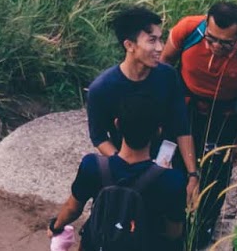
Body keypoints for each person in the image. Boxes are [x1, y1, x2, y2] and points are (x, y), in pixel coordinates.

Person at [162, 2, 237, 247]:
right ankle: (171, 229)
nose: (215, 47)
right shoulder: (188, 30)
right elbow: (164, 65)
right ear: (205, 26)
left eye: (225, 43)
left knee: (215, 177)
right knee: (175, 169)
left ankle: (201, 234)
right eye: (211, 39)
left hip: (225, 117)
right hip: (186, 108)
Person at [85, 7, 199, 213]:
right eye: (152, 40)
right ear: (129, 45)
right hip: (123, 169)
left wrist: (192, 175)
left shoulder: (168, 77)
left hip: (163, 167)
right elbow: (98, 136)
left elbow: (182, 126)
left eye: (161, 39)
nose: (160, 47)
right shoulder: (102, 89)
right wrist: (124, 165)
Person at [48, 102, 187, 251]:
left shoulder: (92, 165)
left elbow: (72, 209)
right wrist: (161, 173)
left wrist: (55, 227)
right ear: (158, 131)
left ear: (117, 124)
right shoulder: (173, 180)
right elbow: (174, 233)